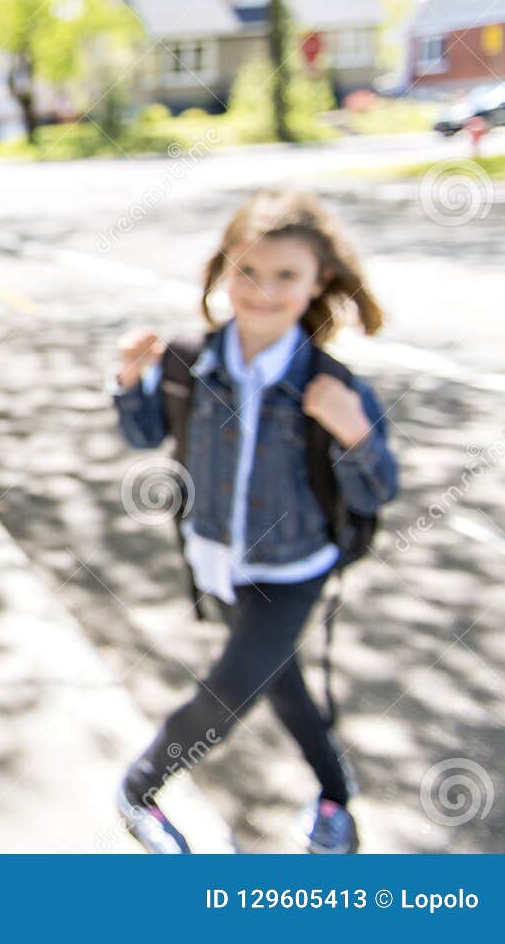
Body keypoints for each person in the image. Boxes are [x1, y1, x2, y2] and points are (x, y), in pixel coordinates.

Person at [109, 189, 398, 855]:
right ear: (223, 270)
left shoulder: (333, 384)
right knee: (281, 681)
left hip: (293, 570)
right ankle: (336, 793)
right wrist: (130, 380)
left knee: (230, 690)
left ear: (318, 280)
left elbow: (380, 488)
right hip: (216, 559)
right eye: (248, 272)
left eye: (286, 276)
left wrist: (355, 436)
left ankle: (139, 785)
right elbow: (145, 432)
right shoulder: (190, 361)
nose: (263, 290)